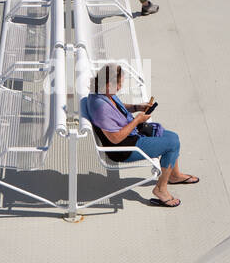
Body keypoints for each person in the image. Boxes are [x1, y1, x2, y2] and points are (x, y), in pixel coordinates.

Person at [82, 64, 198, 207]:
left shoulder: (101, 93)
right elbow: (115, 139)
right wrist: (137, 120)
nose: (120, 88)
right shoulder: (101, 107)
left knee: (173, 137)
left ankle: (174, 175)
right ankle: (160, 189)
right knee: (172, 145)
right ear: (107, 85)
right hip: (123, 148)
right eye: (118, 85)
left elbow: (117, 107)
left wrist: (137, 107)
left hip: (130, 135)